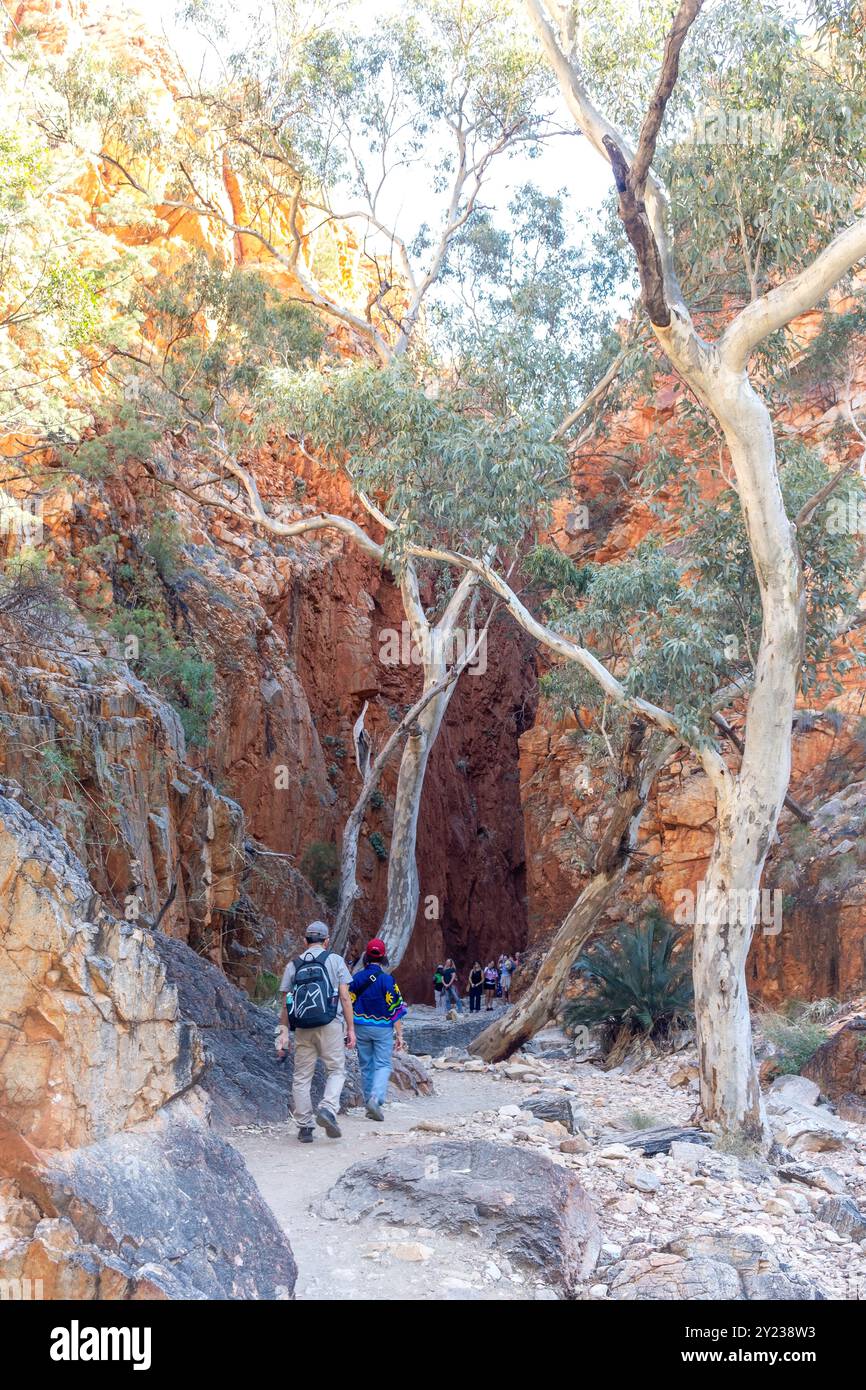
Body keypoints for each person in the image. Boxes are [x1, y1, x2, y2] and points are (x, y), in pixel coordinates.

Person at [276, 921, 355, 1144]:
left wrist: (283, 1034)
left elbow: (286, 1003)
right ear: (327, 941)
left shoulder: (294, 965)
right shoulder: (335, 960)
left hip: (302, 1027)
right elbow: (345, 997)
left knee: (301, 1077)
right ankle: (328, 1108)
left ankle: (305, 1128)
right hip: (330, 1023)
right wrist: (350, 1028)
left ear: (305, 941)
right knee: (336, 1070)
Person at [349, 938, 407, 1121]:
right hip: (382, 1029)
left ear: (366, 956)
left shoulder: (356, 978)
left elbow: (347, 1003)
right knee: (383, 1064)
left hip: (360, 1027)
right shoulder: (388, 980)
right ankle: (376, 1098)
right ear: (383, 958)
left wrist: (348, 1028)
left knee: (366, 1065)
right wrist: (400, 1034)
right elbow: (396, 1010)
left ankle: (369, 1103)